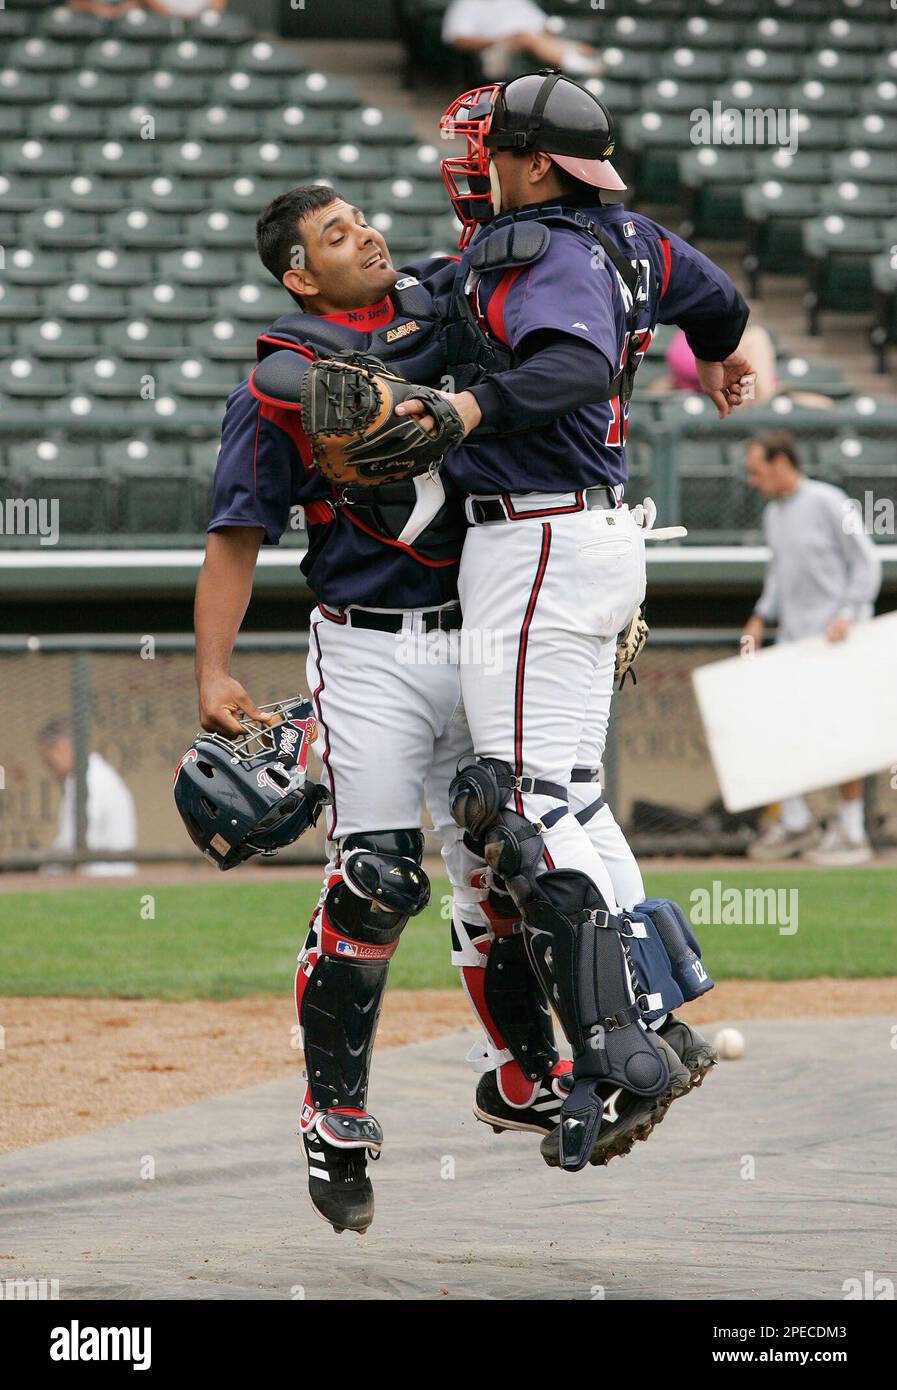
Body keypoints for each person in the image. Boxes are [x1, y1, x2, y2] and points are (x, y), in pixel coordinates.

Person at [400, 71, 743, 1171]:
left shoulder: (541, 248)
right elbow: (722, 305)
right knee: (574, 795)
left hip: (539, 535)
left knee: (521, 800)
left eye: (497, 146)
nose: (483, 161)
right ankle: (660, 1008)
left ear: (536, 163)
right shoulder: (632, 235)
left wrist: (466, 405)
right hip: (594, 535)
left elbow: (573, 363)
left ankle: (620, 1046)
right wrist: (725, 350)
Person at [194, 185, 499, 1235]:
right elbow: (238, 530)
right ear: (297, 273)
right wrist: (213, 670)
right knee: (375, 881)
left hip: (484, 629)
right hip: (365, 643)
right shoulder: (279, 380)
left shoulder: (450, 303)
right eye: (335, 233)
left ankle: (522, 1065)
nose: (364, 234)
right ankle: (336, 1117)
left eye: (363, 219)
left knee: (506, 854)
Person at [742, 431, 882, 866]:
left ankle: (853, 834)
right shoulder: (774, 515)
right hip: (794, 643)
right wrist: (761, 615)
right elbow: (778, 577)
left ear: (782, 463)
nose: (753, 480)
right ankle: (798, 822)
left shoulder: (828, 502)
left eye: (757, 471)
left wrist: (847, 612)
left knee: (841, 740)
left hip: (837, 641)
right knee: (780, 733)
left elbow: (867, 562)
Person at [38, 721, 137, 876]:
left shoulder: (91, 779)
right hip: (106, 877)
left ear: (62, 747)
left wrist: (44, 872)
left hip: (106, 879)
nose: (49, 766)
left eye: (48, 759)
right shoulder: (88, 775)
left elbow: (72, 841)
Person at [442, 0, 604, 81]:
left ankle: (583, 63)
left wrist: (559, 44)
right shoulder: (467, 3)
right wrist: (500, 40)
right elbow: (458, 39)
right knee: (526, 38)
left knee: (585, 48)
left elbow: (544, 28)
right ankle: (577, 65)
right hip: (494, 51)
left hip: (533, 42)